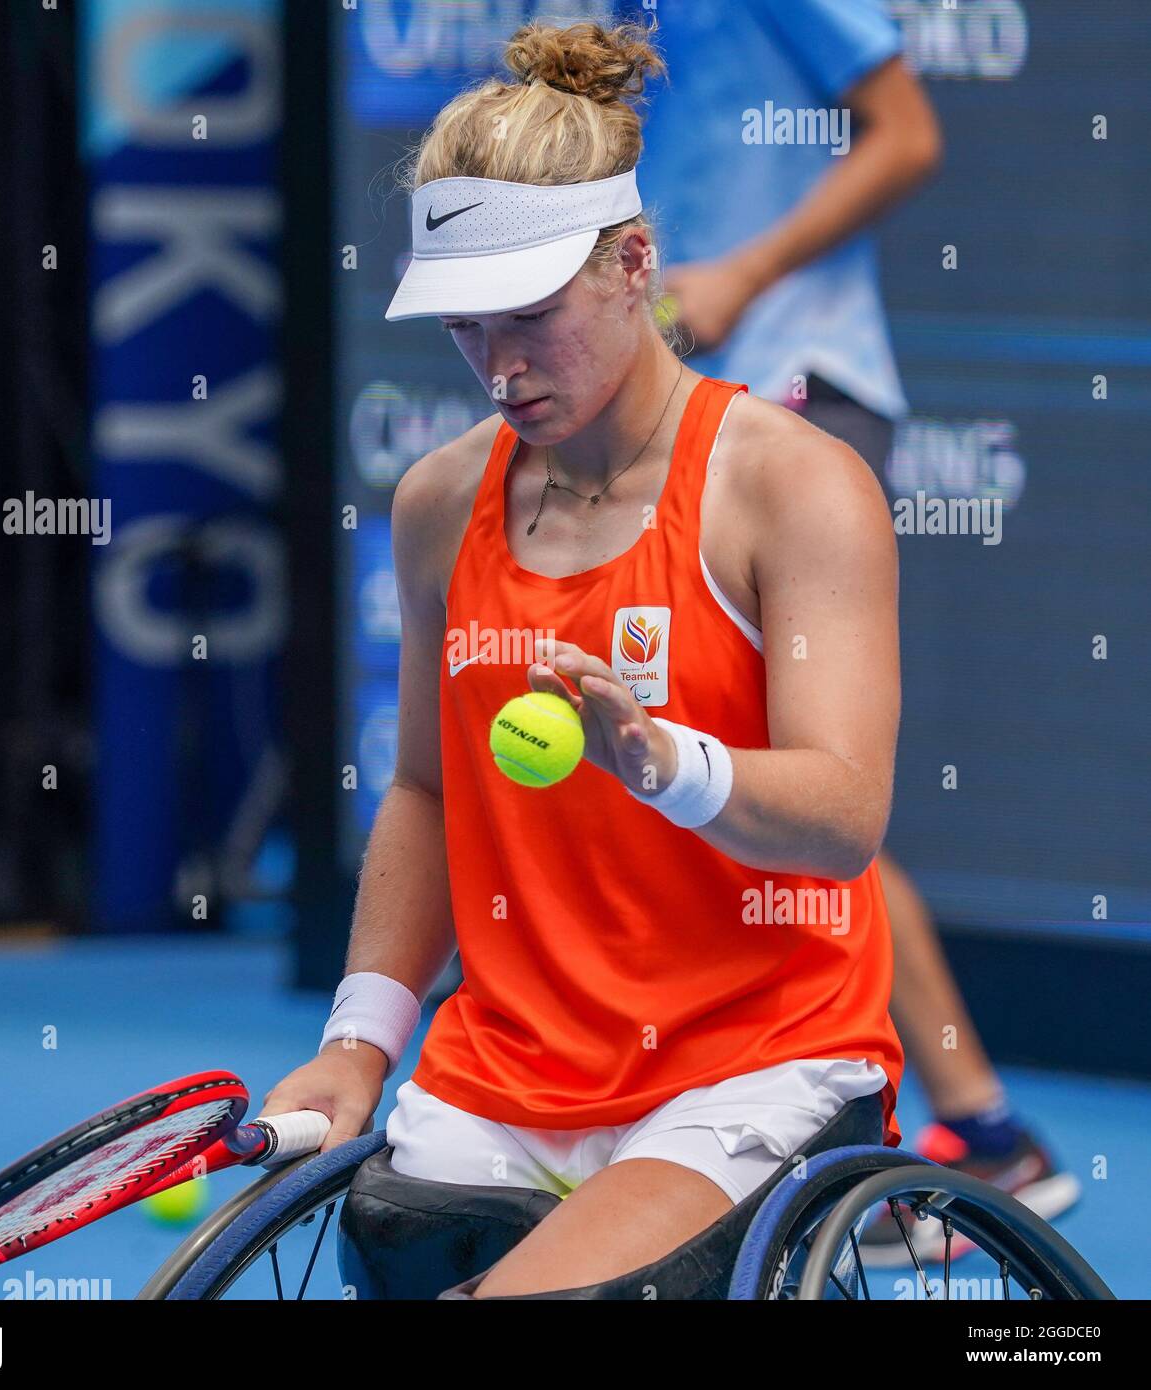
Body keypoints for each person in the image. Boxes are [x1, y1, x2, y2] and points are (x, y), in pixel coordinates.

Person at [264, 18, 905, 1298]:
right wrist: (357, 1042)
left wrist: (665, 763)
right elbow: (428, 794)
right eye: (463, 328)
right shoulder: (439, 502)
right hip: (503, 1067)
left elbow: (842, 823)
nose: (497, 368)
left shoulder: (795, 487)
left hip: (754, 1058)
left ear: (633, 263)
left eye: (531, 318)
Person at [630, 0, 1075, 1259]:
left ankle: (982, 1132)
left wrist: (739, 274)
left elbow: (905, 132)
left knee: (787, 789)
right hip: (687, 397)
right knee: (713, 778)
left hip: (794, 387)